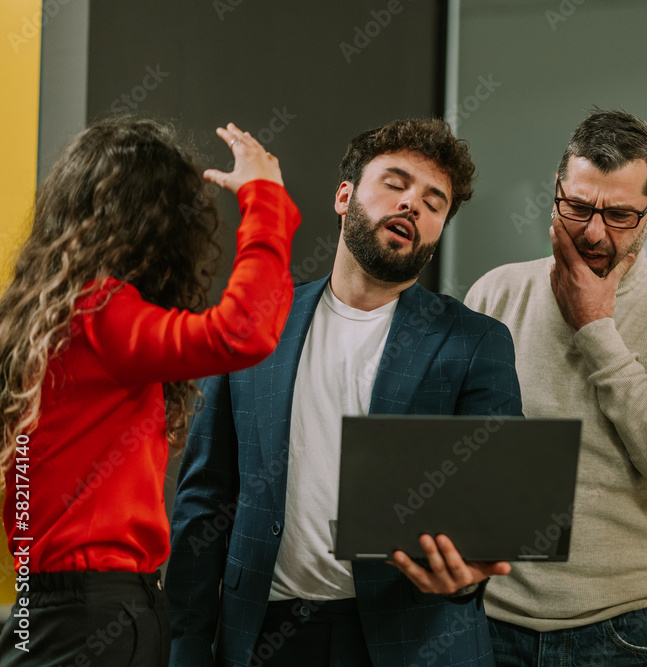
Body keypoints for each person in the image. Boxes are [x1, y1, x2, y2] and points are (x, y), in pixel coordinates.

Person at [165, 117, 522, 667]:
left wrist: (466, 574)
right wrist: (185, 645)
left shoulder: (476, 342)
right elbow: (205, 496)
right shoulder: (259, 324)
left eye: (434, 203)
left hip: (411, 640)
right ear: (344, 196)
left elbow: (493, 506)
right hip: (263, 635)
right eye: (395, 183)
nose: (412, 205)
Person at [0, 117, 299, 666]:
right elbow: (241, 331)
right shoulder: (93, 311)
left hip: (81, 607)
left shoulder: (55, 316)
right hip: (74, 607)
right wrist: (265, 199)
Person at [464, 109, 647, 665]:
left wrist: (595, 327)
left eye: (619, 215)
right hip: (491, 619)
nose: (593, 231)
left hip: (621, 629)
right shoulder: (495, 293)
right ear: (556, 192)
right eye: (579, 207)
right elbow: (458, 457)